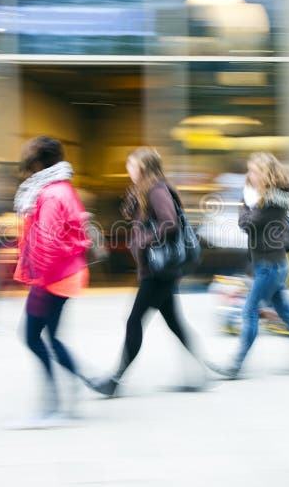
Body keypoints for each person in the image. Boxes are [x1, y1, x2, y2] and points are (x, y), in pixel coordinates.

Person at [87, 147, 208, 397]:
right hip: (158, 269)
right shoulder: (145, 191)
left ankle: (115, 381)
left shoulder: (157, 190)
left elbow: (170, 221)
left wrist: (144, 241)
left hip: (159, 270)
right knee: (175, 323)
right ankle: (201, 374)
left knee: (134, 321)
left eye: (131, 165)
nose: (128, 169)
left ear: (142, 167)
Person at [211, 153, 289, 379]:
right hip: (268, 265)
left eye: (254, 171)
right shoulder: (258, 197)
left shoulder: (275, 199)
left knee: (249, 311)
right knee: (287, 313)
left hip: (271, 267)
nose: (249, 175)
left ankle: (235, 365)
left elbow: (248, 224)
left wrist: (243, 206)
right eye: (249, 170)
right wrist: (246, 204)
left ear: (266, 173)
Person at [7, 136, 91, 428]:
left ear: (39, 162)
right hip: (62, 273)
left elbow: (49, 242)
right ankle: (76, 383)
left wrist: (39, 284)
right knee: (51, 337)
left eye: (28, 156)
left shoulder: (51, 194)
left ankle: (51, 405)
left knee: (31, 336)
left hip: (54, 276)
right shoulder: (57, 188)